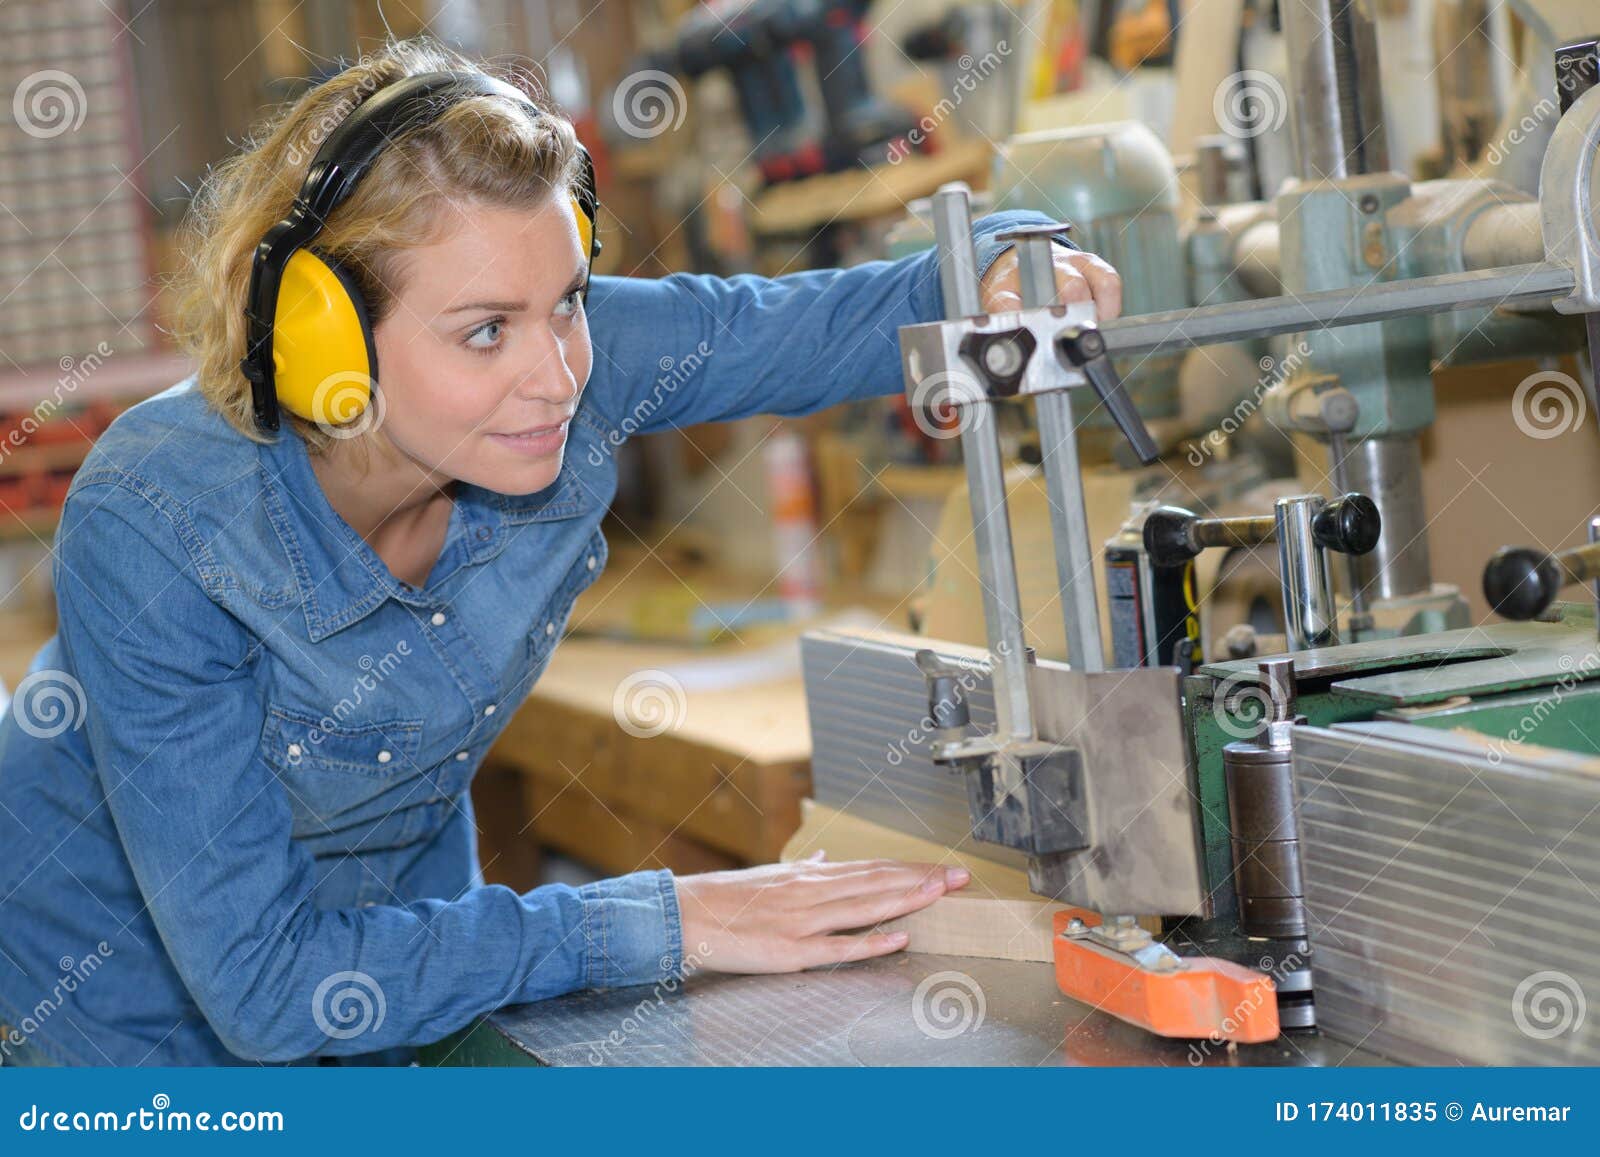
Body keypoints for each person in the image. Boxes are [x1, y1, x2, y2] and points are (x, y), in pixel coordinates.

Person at [0, 37, 1123, 1066]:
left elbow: (820, 321)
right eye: (483, 329)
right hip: (119, 995)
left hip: (403, 944)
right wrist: (669, 918)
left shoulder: (553, 359)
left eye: (570, 301)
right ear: (316, 335)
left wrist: (1015, 262)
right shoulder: (155, 525)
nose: (556, 375)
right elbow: (263, 982)